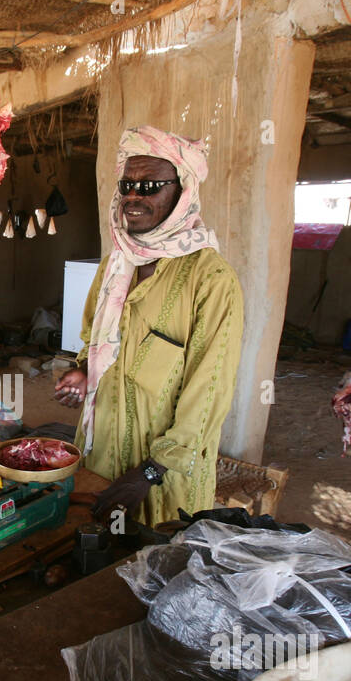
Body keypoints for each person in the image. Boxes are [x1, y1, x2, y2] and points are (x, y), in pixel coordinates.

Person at [56, 126, 243, 528]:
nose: (134, 197)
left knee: (157, 562)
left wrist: (152, 472)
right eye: (127, 185)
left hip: (163, 473)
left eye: (151, 186)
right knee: (95, 551)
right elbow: (93, 339)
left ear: (182, 193)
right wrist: (83, 370)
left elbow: (209, 391)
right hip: (102, 447)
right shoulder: (116, 263)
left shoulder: (210, 279)